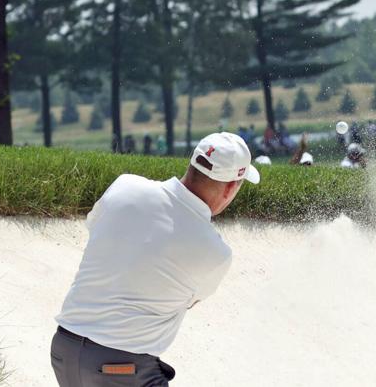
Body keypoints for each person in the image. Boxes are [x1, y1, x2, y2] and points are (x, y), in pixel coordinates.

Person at [52, 133, 260, 386]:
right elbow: (186, 301)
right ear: (229, 188)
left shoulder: (124, 185)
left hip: (63, 351)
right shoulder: (216, 253)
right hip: (123, 368)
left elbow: (95, 227)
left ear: (193, 164)